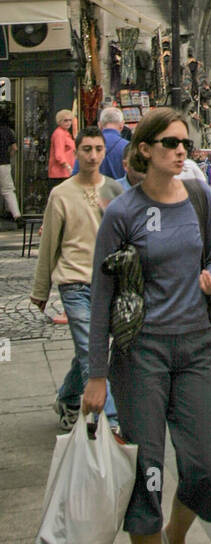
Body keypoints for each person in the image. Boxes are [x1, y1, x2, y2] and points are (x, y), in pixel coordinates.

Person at [82, 108, 211, 544]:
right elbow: (102, 292)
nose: (181, 150)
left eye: (185, 142)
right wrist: (95, 375)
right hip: (139, 353)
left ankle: (176, 540)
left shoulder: (198, 195)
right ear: (144, 149)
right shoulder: (123, 212)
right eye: (170, 142)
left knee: (207, 466)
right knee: (147, 473)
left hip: (195, 347)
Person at [30, 126, 122, 429]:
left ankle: (68, 398)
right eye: (87, 149)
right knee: (89, 350)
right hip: (74, 283)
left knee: (92, 347)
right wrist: (40, 290)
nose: (93, 155)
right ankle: (110, 420)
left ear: (104, 152)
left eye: (98, 149)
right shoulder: (61, 194)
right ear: (77, 152)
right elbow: (49, 246)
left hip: (106, 283)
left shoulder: (113, 190)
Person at [0, 110, 21, 224]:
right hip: (4, 163)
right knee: (8, 191)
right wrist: (9, 156)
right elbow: (15, 148)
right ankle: (17, 216)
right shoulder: (7, 131)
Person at [48, 109, 76, 188]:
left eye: (70, 120)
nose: (68, 123)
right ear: (59, 121)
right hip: (60, 173)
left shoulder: (65, 133)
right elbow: (59, 154)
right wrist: (68, 167)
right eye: (65, 120)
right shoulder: (59, 134)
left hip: (65, 172)